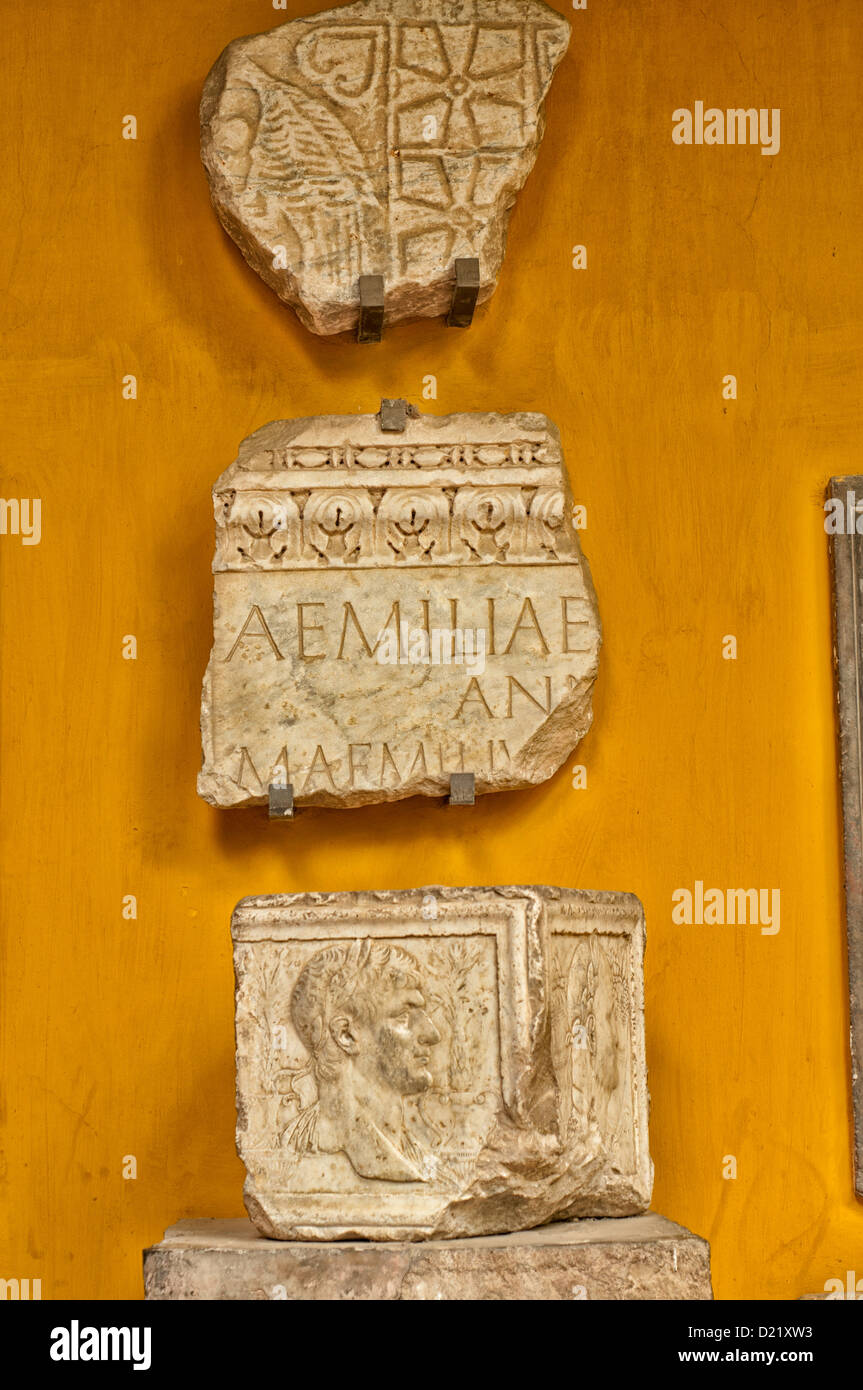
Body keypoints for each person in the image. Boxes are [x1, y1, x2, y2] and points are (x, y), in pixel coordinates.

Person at [282, 938, 442, 1182]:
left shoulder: (418, 1149)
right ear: (346, 1035)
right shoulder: (311, 1153)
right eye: (403, 1016)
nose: (432, 1035)